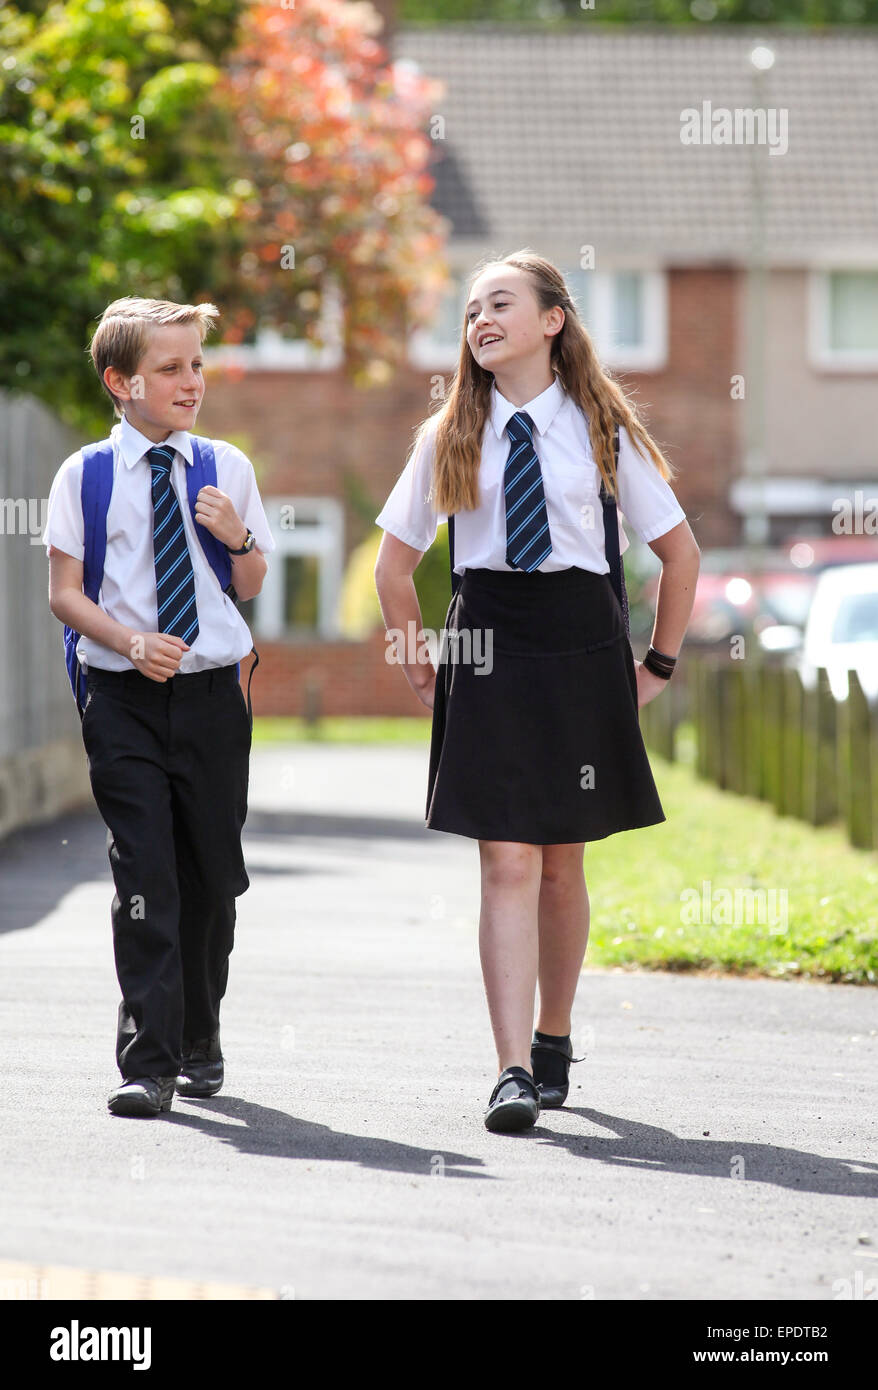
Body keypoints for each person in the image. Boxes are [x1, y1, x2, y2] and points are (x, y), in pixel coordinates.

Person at [374, 250, 700, 1134]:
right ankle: (512, 1068)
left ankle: (555, 1037)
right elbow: (394, 565)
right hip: (486, 647)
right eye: (471, 309)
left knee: (563, 862)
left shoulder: (602, 426)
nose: (479, 319)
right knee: (505, 858)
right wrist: (417, 662)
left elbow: (680, 555)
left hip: (583, 642)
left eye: (500, 303)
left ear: (553, 319)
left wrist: (656, 666)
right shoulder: (449, 431)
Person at [44, 297, 275, 1118]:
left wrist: (240, 537)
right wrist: (132, 641)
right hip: (122, 699)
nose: (191, 382)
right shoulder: (86, 475)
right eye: (171, 368)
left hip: (214, 697)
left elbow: (250, 587)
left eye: (197, 366)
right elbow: (65, 596)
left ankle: (199, 1035)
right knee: (144, 871)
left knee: (211, 878)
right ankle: (149, 1060)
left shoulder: (225, 467)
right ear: (121, 381)